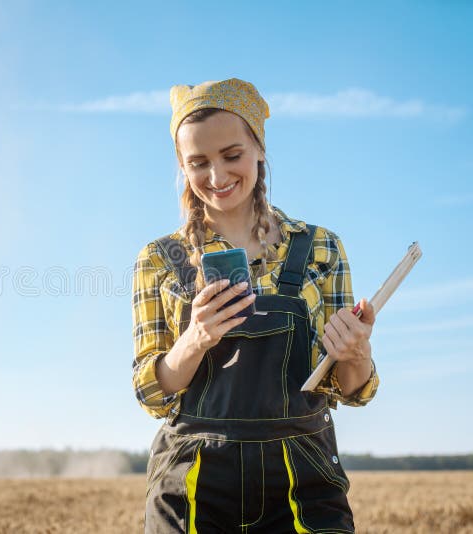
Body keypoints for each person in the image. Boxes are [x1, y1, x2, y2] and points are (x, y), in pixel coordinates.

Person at [131, 78, 380, 533]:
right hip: (193, 476)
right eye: (198, 162)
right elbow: (152, 392)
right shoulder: (159, 260)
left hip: (301, 473)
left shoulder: (320, 248)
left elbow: (351, 389)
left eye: (231, 155)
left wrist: (356, 353)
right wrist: (195, 339)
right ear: (182, 167)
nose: (217, 176)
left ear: (259, 149)